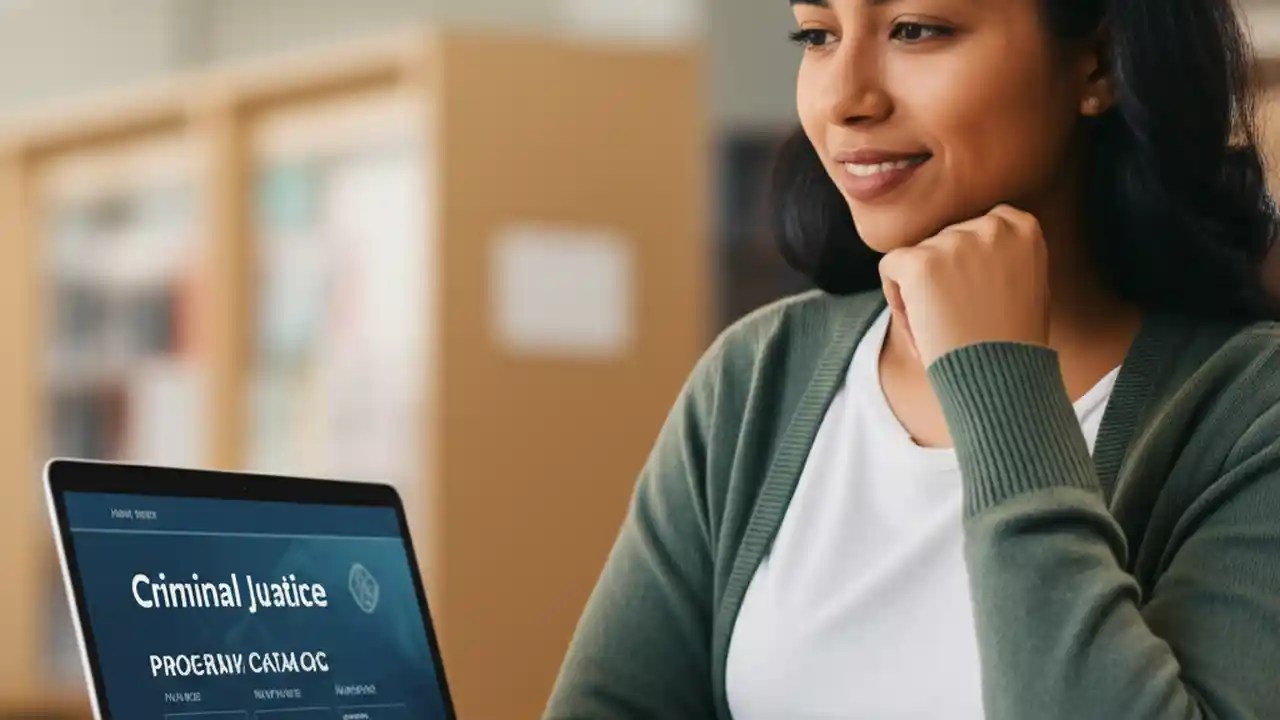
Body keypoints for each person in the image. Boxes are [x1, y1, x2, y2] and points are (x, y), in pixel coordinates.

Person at [546, 0, 1280, 717]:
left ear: (1097, 62)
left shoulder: (1253, 413)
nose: (845, 99)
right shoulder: (757, 373)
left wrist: (998, 377)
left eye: (916, 30)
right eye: (817, 34)